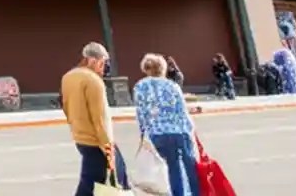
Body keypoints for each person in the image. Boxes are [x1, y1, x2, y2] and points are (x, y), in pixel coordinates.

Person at [61, 42, 128, 196]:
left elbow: (66, 107)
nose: (104, 69)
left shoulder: (68, 77)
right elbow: (100, 119)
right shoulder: (94, 81)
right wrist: (108, 149)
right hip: (96, 141)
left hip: (80, 137)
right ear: (92, 61)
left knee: (92, 181)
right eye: (102, 63)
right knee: (102, 182)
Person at [133, 53, 201, 196]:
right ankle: (196, 193)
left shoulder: (140, 87)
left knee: (172, 165)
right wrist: (191, 130)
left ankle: (178, 193)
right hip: (180, 131)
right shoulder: (172, 85)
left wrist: (143, 133)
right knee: (190, 165)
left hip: (158, 133)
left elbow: (141, 113)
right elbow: (182, 110)